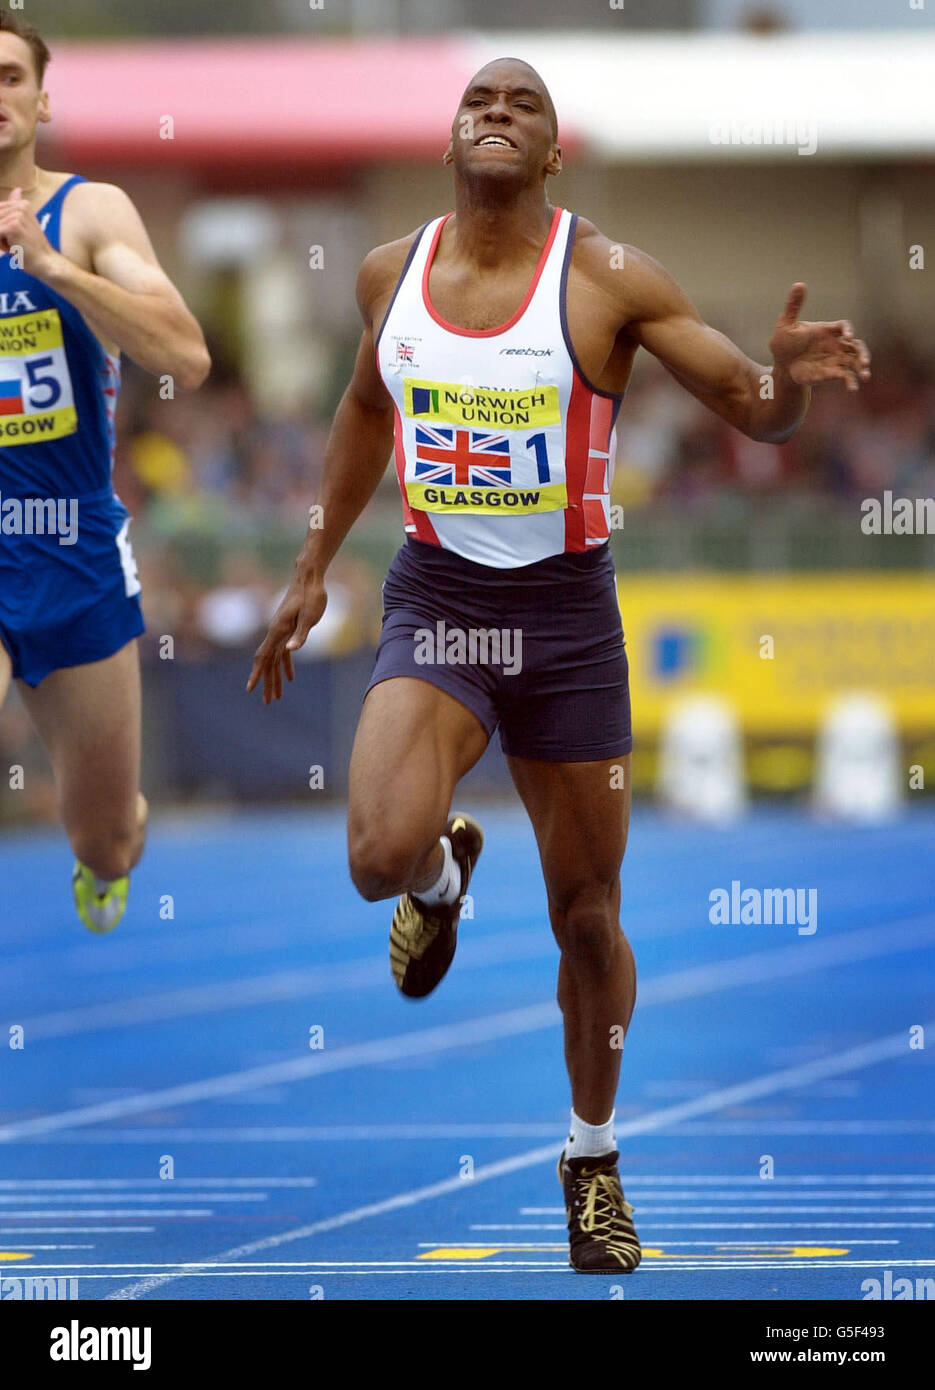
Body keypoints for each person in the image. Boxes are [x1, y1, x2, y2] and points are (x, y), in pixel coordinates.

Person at [248, 57, 869, 1273]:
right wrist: (313, 558)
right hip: (439, 600)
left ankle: (589, 1157)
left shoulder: (607, 279)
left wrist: (784, 382)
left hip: (565, 620)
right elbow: (367, 409)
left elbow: (753, 408)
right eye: (477, 100)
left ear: (551, 156)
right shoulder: (393, 276)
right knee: (375, 852)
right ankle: (439, 881)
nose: (494, 113)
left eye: (520, 105)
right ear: (447, 141)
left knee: (586, 919)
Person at [0, 16, 211, 932]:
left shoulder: (88, 214)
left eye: (9, 76)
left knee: (103, 842)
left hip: (70, 544)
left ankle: (113, 841)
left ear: (42, 100)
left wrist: (52, 270)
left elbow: (186, 356)